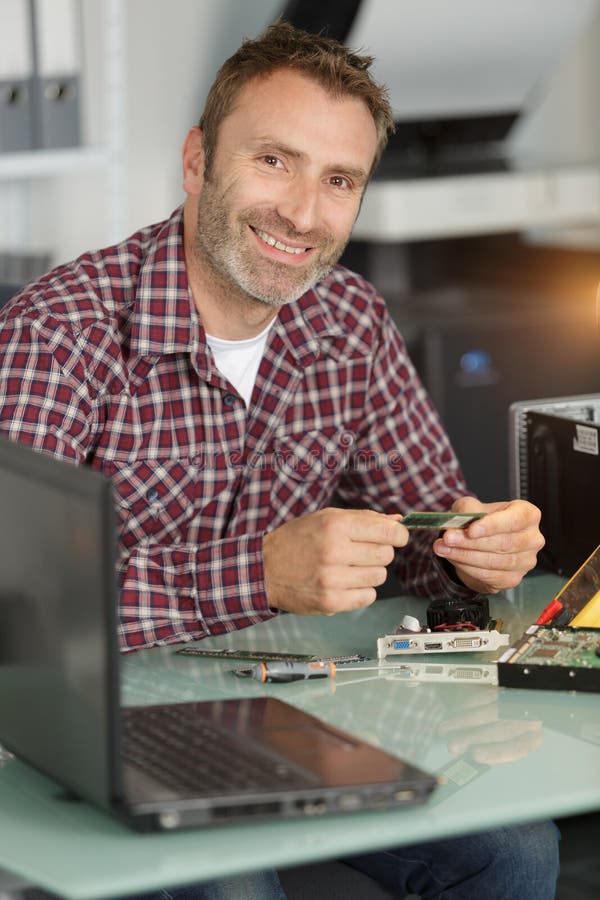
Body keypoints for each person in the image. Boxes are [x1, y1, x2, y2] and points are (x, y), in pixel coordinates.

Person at [0, 21, 558, 900]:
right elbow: (19, 613)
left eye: (339, 180)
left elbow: (417, 538)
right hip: (103, 731)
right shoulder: (58, 334)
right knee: (235, 889)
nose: (303, 212)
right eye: (274, 161)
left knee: (518, 851)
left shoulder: (350, 319)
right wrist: (260, 573)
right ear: (197, 162)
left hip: (300, 708)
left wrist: (472, 548)